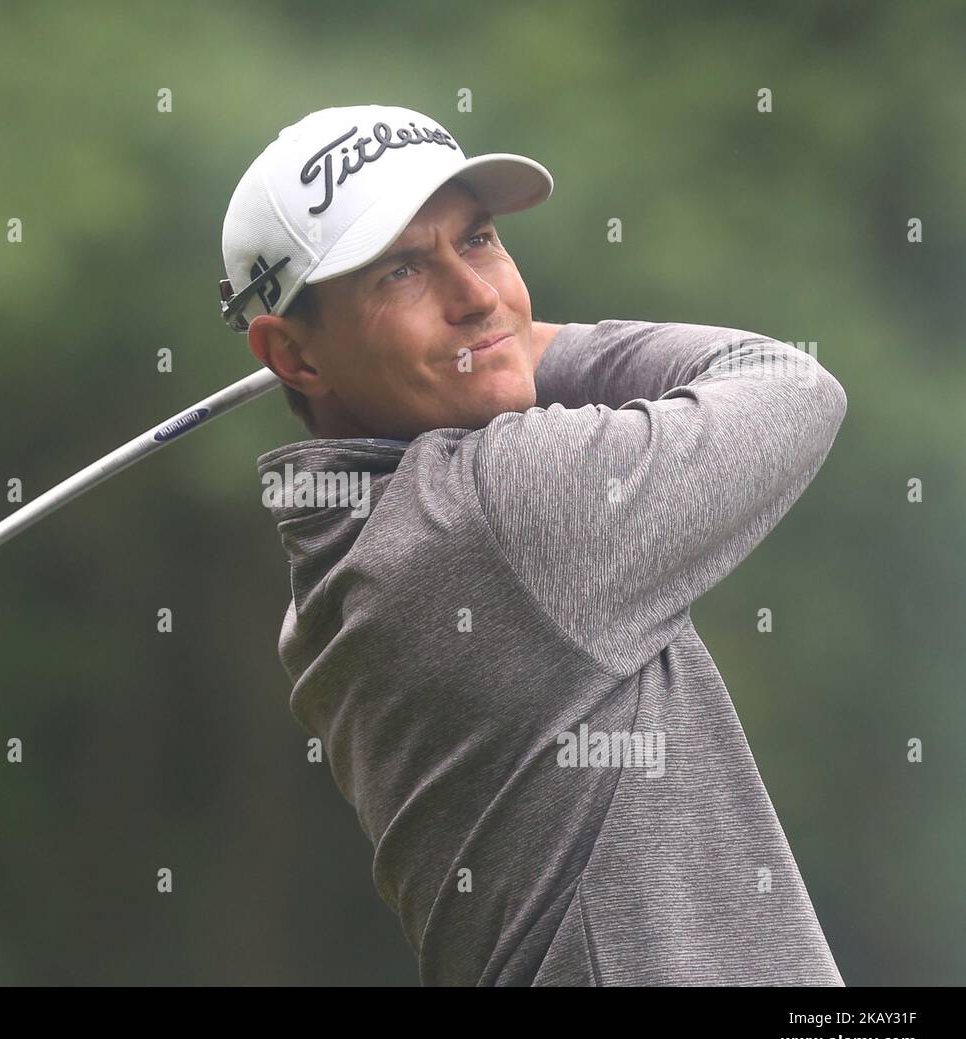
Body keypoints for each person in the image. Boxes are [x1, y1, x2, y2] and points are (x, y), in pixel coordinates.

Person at [219, 104, 847, 986]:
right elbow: (789, 386)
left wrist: (483, 348)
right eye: (400, 271)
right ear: (294, 355)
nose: (474, 295)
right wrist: (519, 343)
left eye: (476, 242)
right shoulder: (495, 512)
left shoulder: (333, 572)